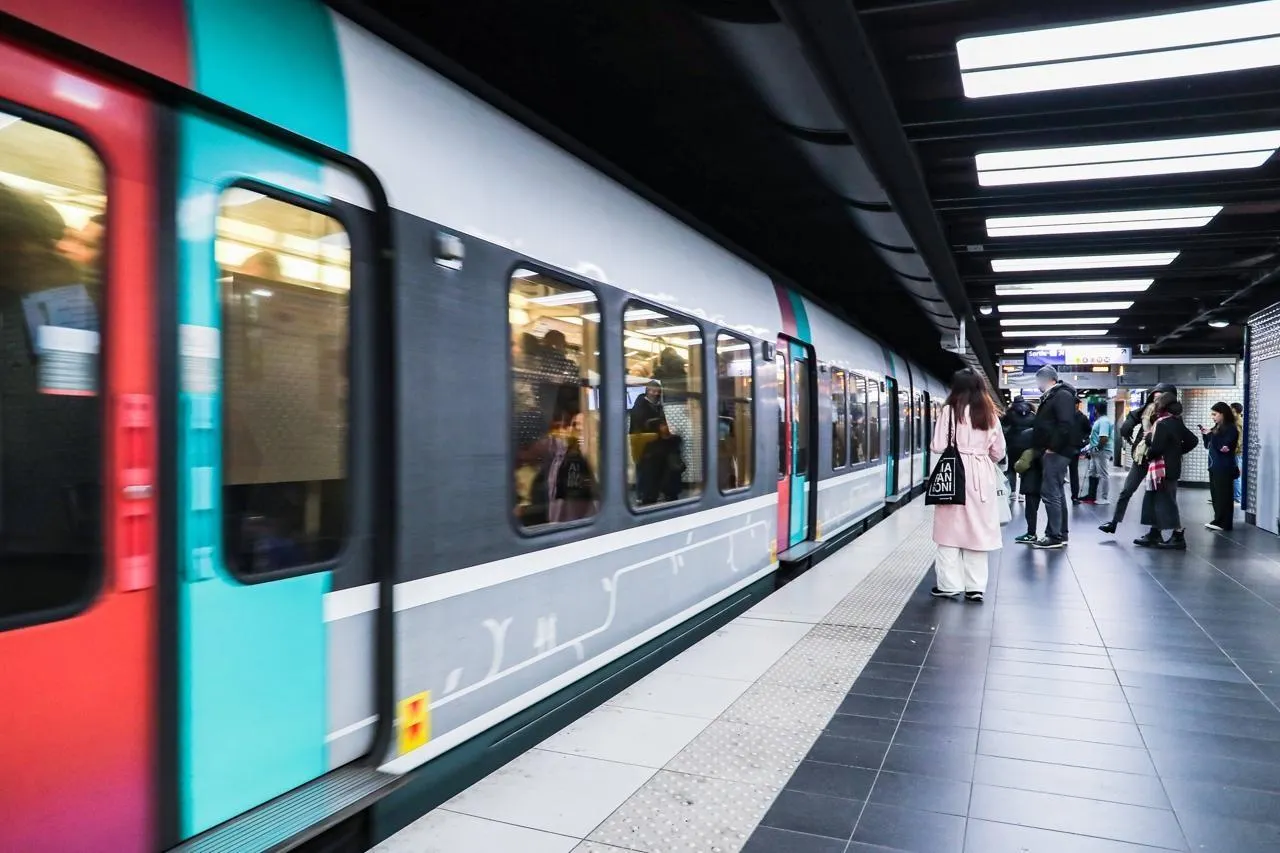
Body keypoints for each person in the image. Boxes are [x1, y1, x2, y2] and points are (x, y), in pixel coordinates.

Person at [929, 369, 1006, 602]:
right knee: (978, 532)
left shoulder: (949, 412)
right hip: (982, 476)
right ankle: (975, 587)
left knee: (948, 533)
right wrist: (981, 458)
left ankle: (949, 585)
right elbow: (999, 452)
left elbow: (937, 445)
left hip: (955, 473)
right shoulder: (990, 413)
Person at [1099, 383, 1176, 536]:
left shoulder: (1172, 417)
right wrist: (1127, 426)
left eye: (1160, 398)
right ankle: (1114, 522)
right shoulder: (1147, 410)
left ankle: (1159, 532)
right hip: (1141, 457)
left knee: (1161, 496)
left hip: (1161, 461)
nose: (1156, 401)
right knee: (1127, 490)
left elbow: (1187, 439)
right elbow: (1133, 416)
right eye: (1154, 397)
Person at [1136, 394, 1198, 550]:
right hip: (1172, 467)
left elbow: (1156, 447)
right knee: (1160, 500)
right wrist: (1177, 452)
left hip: (1162, 469)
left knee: (1166, 502)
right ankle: (1154, 532)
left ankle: (1178, 535)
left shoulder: (1162, 424)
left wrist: (1149, 440)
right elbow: (1193, 440)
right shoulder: (1176, 422)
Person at [1029, 366, 1076, 549]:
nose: (1037, 384)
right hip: (1055, 451)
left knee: (1050, 493)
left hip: (1056, 452)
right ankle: (1061, 533)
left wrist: (1052, 448)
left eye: (1038, 380)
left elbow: (1065, 424)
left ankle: (1054, 536)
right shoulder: (1056, 395)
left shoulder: (1061, 395)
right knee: (1056, 493)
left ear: (1049, 379)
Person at [1201, 402, 1240, 532]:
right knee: (1216, 495)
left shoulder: (1230, 428)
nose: (1213, 417)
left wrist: (1211, 434)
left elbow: (1223, 447)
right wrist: (1206, 434)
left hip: (1224, 466)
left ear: (1223, 414)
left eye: (1215, 414)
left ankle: (1224, 522)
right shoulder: (1217, 427)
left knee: (1224, 495)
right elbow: (1209, 445)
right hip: (1214, 465)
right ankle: (1218, 519)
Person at [1012, 426, 1042, 545]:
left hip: (1030, 483)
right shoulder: (1043, 450)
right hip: (1043, 481)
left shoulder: (1029, 452)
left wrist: (1016, 464)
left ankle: (1031, 533)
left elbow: (1020, 466)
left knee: (1031, 510)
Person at [1001, 396, 1034, 498]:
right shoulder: (1032, 414)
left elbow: (1003, 426)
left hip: (1013, 445)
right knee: (1024, 467)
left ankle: (1013, 492)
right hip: (1027, 445)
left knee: (1011, 468)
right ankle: (1022, 494)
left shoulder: (1010, 413)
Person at [1082, 407, 1114, 503]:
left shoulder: (1104, 421)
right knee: (1092, 472)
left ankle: (1104, 498)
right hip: (1095, 452)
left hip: (1102, 452)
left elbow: (1103, 437)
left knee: (1103, 474)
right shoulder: (1100, 421)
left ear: (1096, 410)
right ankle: (1091, 496)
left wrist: (1097, 448)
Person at [1069, 399, 1090, 504]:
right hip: (1070, 449)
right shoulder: (1082, 417)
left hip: (1070, 449)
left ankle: (1074, 496)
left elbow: (1088, 432)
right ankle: (1074, 497)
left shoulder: (1082, 418)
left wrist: (1083, 442)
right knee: (1073, 474)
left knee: (1073, 474)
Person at [1231, 402, 1244, 504]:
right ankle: (1236, 496)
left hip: (1237, 453)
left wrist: (1233, 451)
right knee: (1235, 474)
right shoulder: (1237, 421)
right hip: (1238, 452)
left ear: (1236, 411)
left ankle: (1237, 496)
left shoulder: (1238, 422)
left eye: (1231, 410)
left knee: (1236, 475)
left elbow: (1238, 440)